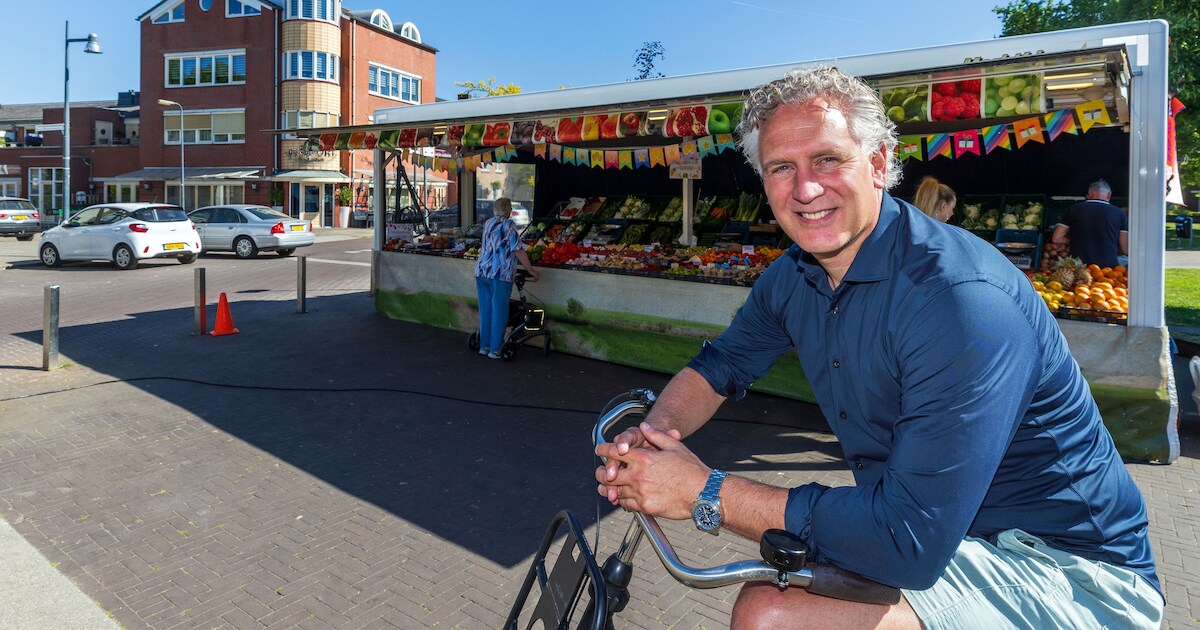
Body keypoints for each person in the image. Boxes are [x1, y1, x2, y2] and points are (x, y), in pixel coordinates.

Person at [595, 67, 1161, 629]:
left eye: (827, 160)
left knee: (771, 614)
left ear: (879, 164)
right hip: (946, 538)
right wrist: (652, 439)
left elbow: (904, 539)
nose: (806, 190)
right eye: (781, 168)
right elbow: (720, 366)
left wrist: (704, 491)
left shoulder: (959, 302)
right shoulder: (794, 274)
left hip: (1071, 570)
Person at [474, 197, 539, 359]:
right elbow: (517, 249)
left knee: (486, 310)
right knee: (499, 311)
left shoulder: (488, 223)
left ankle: (484, 346)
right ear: (508, 210)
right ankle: (495, 349)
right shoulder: (508, 225)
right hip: (499, 273)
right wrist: (530, 270)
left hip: (482, 271)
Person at [1052, 179, 1129, 268]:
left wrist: (1076, 240)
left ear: (1089, 195)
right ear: (1109, 195)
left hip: (1079, 268)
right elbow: (1125, 248)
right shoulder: (1120, 214)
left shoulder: (1073, 210)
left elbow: (1056, 238)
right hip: (1108, 270)